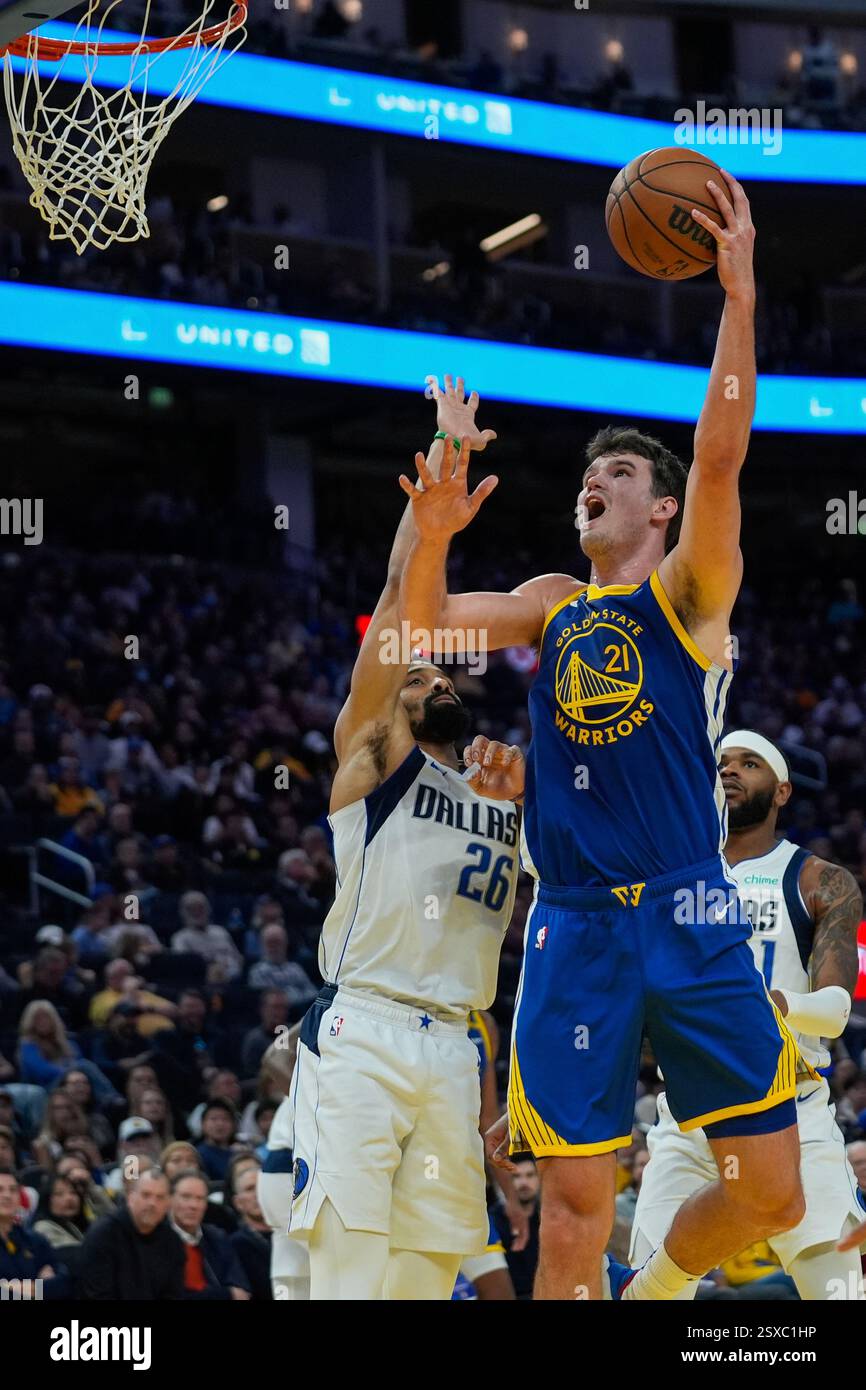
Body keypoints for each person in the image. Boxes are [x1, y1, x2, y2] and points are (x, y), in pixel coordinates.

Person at [401, 180, 811, 1303]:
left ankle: (659, 1288)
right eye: (590, 475)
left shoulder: (687, 596)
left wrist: (736, 293)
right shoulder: (548, 600)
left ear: (661, 510)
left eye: (620, 474)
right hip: (574, 924)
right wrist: (428, 525)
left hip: (687, 906)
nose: (595, 481)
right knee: (574, 1214)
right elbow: (417, 623)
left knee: (773, 1193)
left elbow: (719, 455)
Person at [282, 379, 519, 1301]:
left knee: (421, 1287)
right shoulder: (378, 758)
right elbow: (396, 603)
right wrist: (444, 477)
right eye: (410, 672)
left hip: (455, 1048)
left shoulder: (506, 786)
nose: (424, 670)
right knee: (347, 1279)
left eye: (434, 665)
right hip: (364, 1031)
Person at [628, 731, 865, 1300]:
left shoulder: (818, 879)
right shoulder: (666, 878)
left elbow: (835, 1013)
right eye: (721, 762)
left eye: (749, 763)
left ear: (782, 790)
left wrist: (780, 1006)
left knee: (842, 1291)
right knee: (651, 1289)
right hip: (690, 1115)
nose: (730, 771)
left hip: (793, 1107)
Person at [77, 1168, 186, 1299]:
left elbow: (173, 1295)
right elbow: (98, 1295)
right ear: (130, 1197)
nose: (152, 1203)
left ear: (168, 1204)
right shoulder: (103, 1234)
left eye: (160, 1197)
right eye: (146, 1195)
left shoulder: (172, 1241)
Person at [169, 1170, 251, 1299]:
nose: (193, 1205)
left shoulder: (217, 1237)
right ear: (170, 1199)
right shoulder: (157, 1239)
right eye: (186, 1197)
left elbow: (242, 1290)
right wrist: (225, 1294)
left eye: (200, 1198)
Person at [0, 1166, 68, 1298]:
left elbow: (63, 1284)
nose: (7, 1195)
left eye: (13, 1190)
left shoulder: (34, 1240)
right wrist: (41, 1287)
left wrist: (17, 1288)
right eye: (0, 1190)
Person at [171, 891, 243, 982]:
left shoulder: (220, 931)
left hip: (232, 978)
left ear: (208, 909)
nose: (197, 912)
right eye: (192, 909)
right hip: (201, 982)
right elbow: (183, 967)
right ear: (184, 912)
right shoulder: (180, 937)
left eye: (200, 908)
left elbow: (237, 958)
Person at [229, 1161, 272, 1301]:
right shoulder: (233, 1245)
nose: (257, 1193)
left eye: (262, 1186)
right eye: (249, 1189)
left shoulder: (294, 1235)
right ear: (238, 1203)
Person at [195, 1099, 238, 1182]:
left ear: (233, 1125)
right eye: (213, 1119)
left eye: (225, 1119)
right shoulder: (198, 1156)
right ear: (203, 1124)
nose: (220, 1124)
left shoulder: (238, 1154)